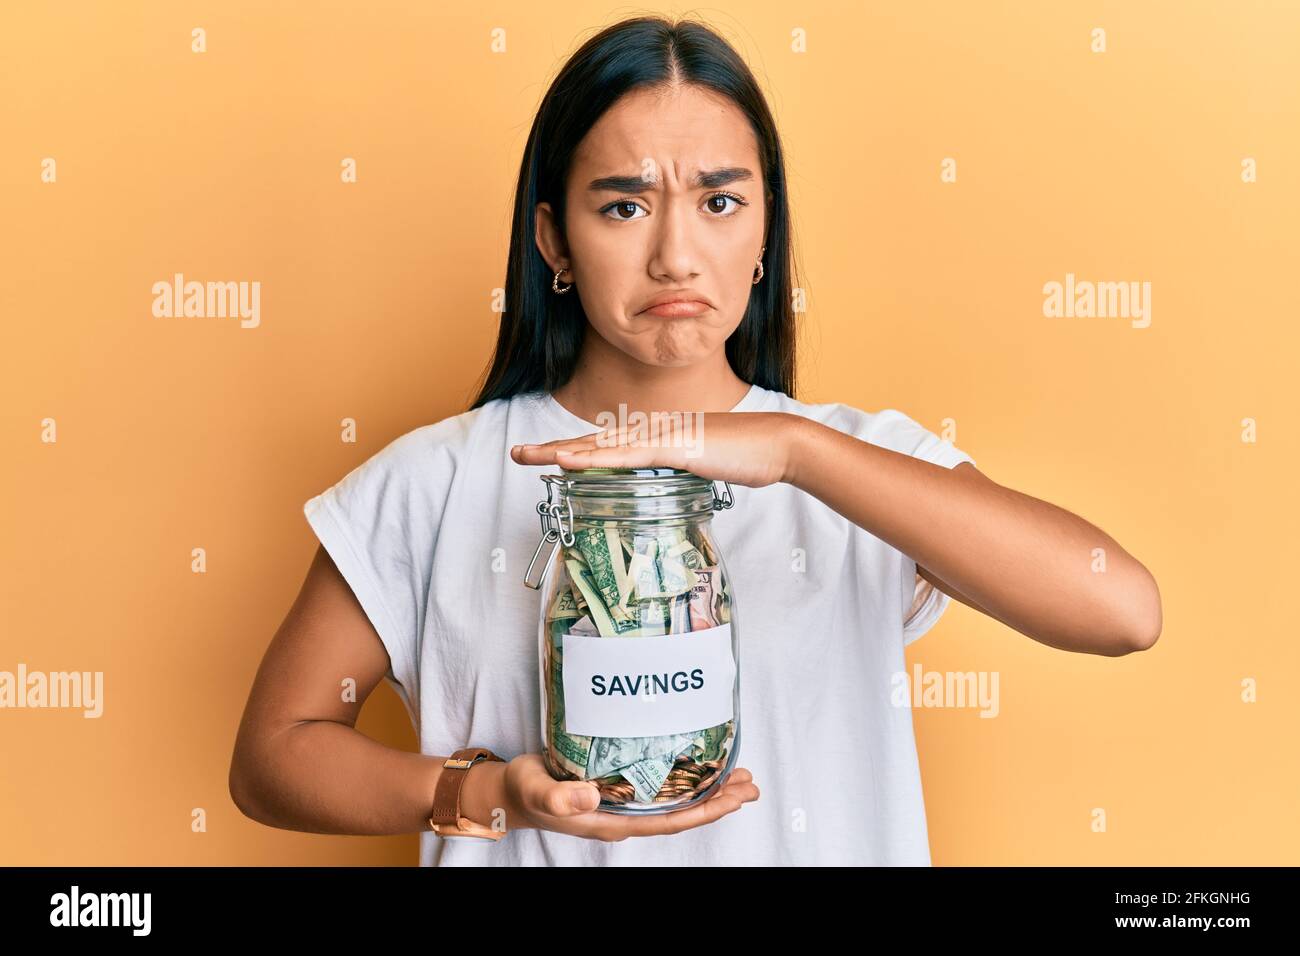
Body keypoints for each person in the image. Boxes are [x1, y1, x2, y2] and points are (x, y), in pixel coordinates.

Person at [229, 15, 1162, 866]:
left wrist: (794, 449)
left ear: (764, 234)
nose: (675, 254)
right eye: (624, 206)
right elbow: (273, 756)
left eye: (720, 202)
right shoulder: (436, 482)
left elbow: (1120, 610)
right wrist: (486, 790)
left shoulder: (854, 461)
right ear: (553, 239)